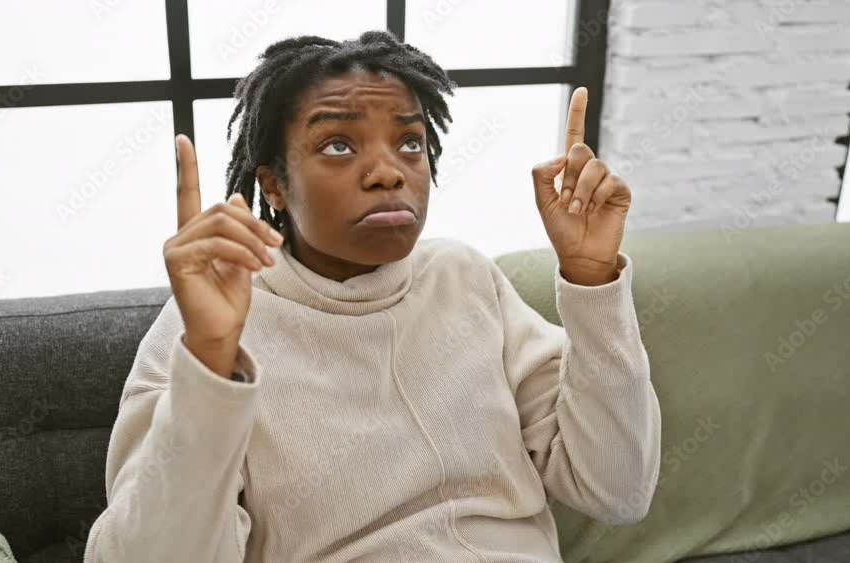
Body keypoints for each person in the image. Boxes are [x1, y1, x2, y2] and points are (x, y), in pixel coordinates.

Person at [85, 30, 660, 562]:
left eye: (410, 142)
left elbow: (615, 490)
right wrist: (210, 360)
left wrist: (592, 281)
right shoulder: (205, 325)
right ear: (274, 185)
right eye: (338, 145)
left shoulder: (465, 277)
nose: (388, 172)